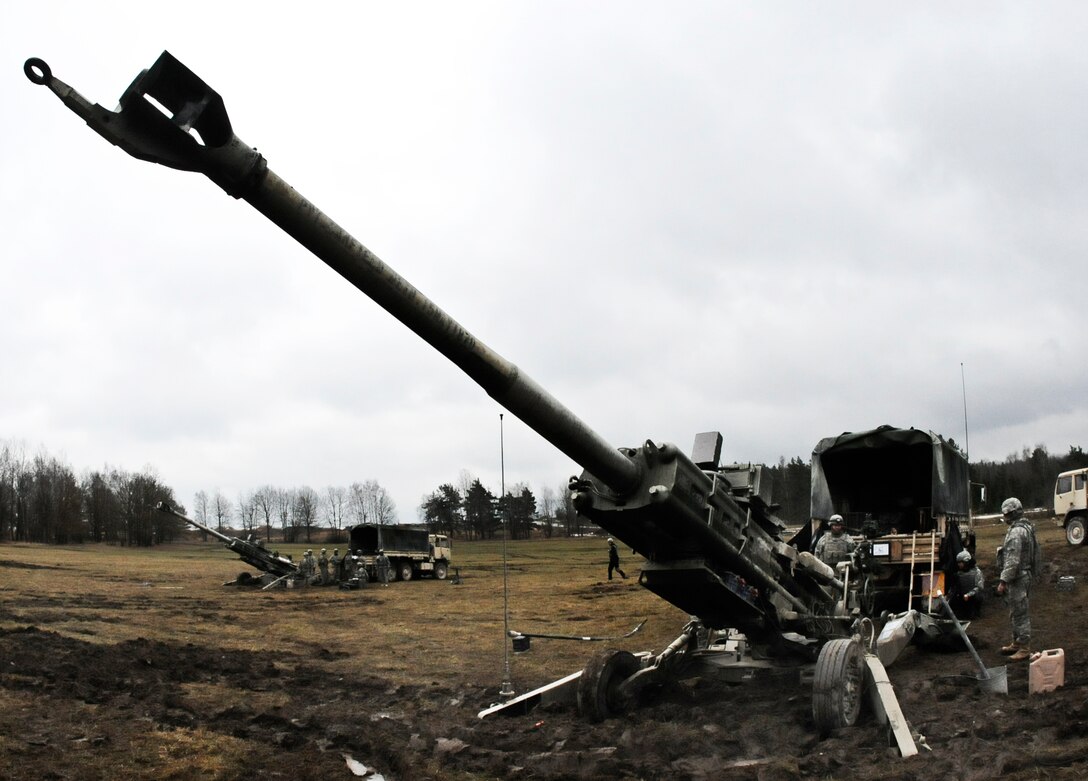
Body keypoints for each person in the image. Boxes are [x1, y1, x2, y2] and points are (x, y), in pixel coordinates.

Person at [996, 497, 1041, 662]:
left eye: (1007, 514)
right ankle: (1017, 642)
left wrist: (1003, 581)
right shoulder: (1025, 527)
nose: (1005, 517)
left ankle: (1024, 648)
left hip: (1018, 577)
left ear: (1013, 513)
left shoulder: (1016, 532)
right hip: (1023, 575)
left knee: (1020, 613)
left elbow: (1012, 560)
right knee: (1015, 611)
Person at [948, 549, 985, 619]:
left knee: (978, 596)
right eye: (958, 562)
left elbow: (979, 587)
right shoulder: (958, 573)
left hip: (972, 597)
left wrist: (968, 594)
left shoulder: (977, 572)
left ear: (966, 561)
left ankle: (975, 612)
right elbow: (954, 588)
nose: (959, 564)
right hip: (962, 597)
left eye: (960, 562)